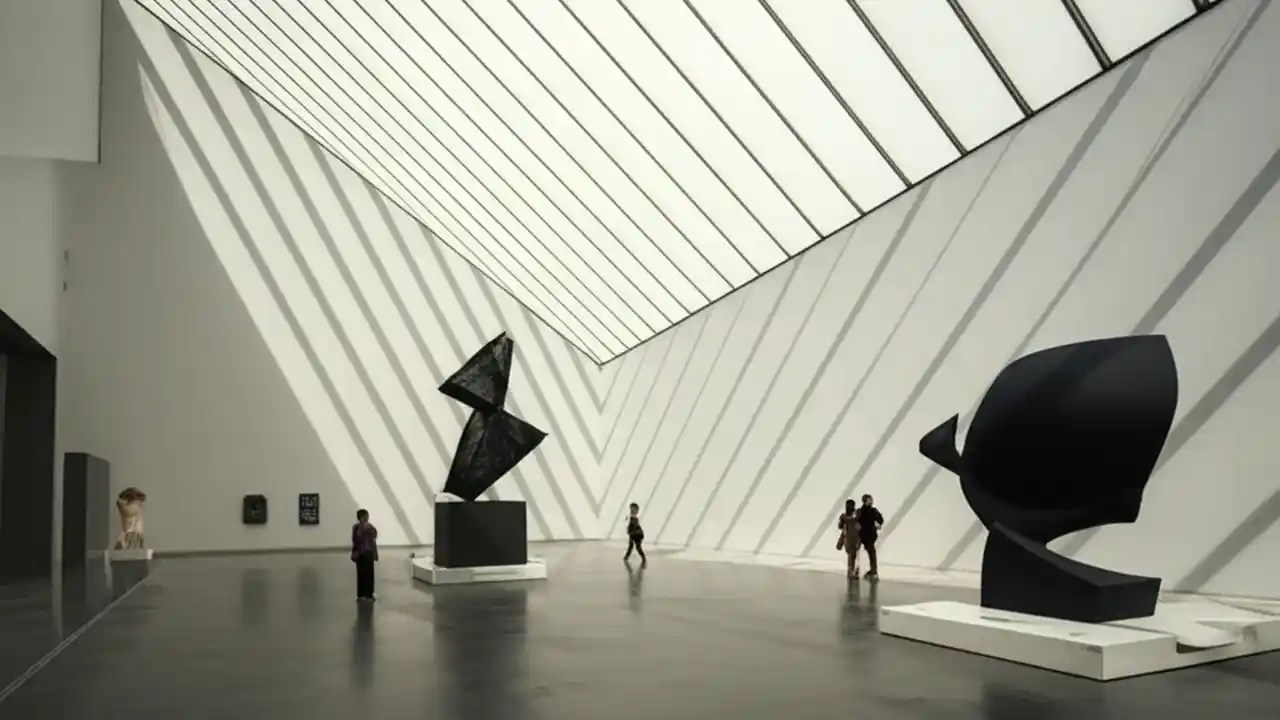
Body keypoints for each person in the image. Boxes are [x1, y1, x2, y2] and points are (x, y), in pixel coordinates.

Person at [351, 509, 379, 601]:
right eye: (367, 515)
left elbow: (354, 541)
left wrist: (354, 553)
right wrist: (375, 553)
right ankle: (369, 594)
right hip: (368, 553)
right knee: (369, 574)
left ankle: (361, 594)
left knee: (361, 574)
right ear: (364, 517)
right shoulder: (370, 527)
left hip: (359, 554)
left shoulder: (355, 527)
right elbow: (373, 539)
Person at [855, 494, 884, 579]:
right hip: (865, 535)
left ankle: (872, 571)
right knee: (869, 553)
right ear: (865, 501)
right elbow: (880, 520)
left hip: (866, 536)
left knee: (870, 553)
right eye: (869, 500)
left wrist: (877, 524)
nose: (871, 501)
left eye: (871, 499)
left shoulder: (870, 511)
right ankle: (870, 571)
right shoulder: (865, 511)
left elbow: (880, 520)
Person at [837, 498, 861, 578]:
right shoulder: (856, 515)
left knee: (850, 555)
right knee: (855, 554)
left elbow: (840, 526)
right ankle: (855, 571)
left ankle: (851, 571)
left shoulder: (844, 516)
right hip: (856, 536)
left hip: (847, 537)